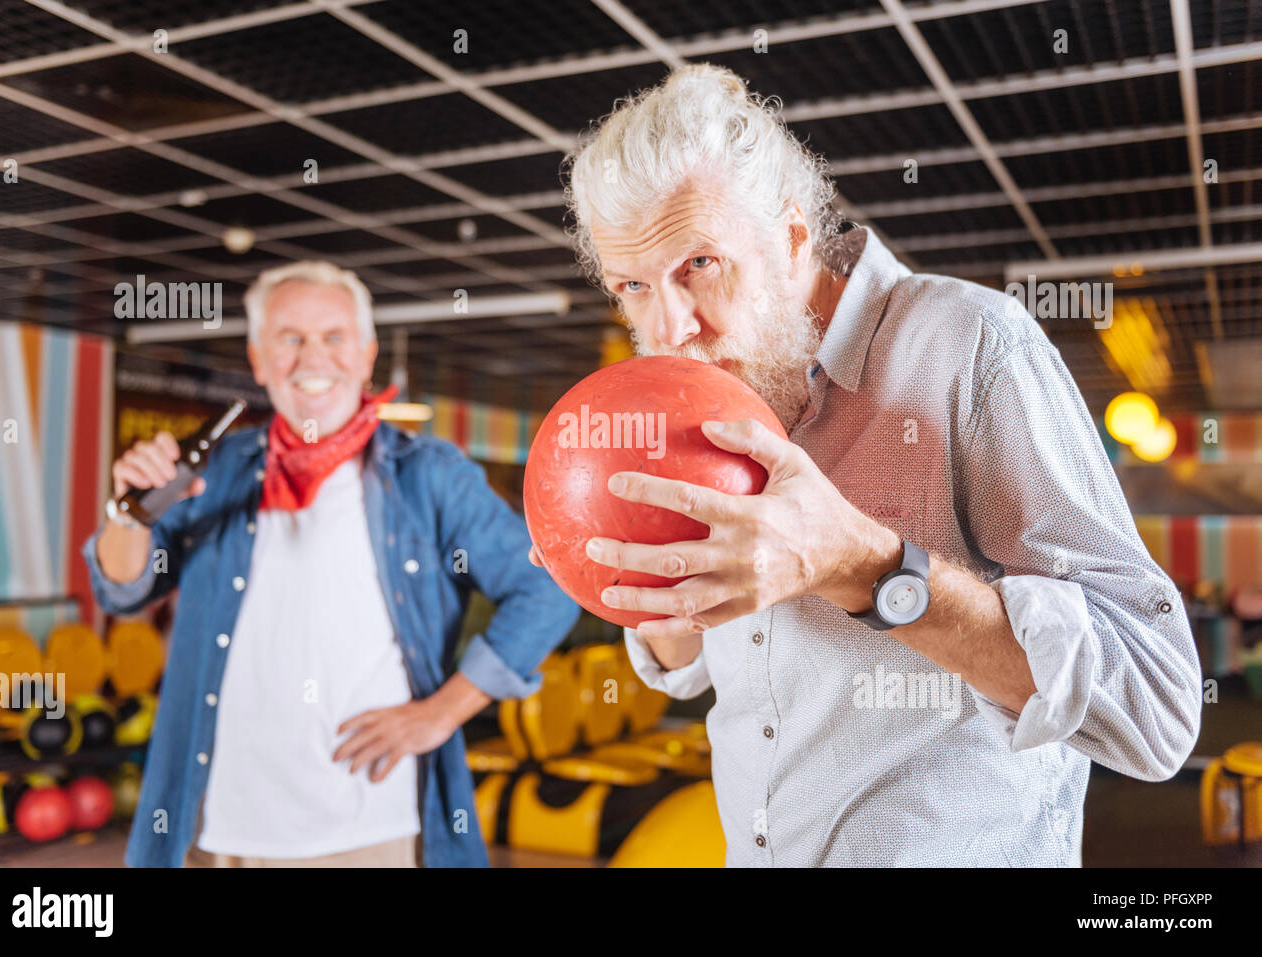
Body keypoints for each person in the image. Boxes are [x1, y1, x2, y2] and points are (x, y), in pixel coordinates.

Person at [539, 64, 1202, 866]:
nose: (670, 326)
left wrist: (866, 566)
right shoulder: (701, 407)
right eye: (633, 286)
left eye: (699, 267)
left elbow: (1157, 708)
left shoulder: (973, 348)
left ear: (790, 242)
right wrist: (650, 590)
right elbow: (702, 675)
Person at [83, 260, 578, 868]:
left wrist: (441, 713)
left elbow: (548, 587)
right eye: (290, 339)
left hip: (369, 825)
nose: (312, 358)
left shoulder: (429, 475)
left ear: (366, 354)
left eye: (333, 337)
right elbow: (122, 590)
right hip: (216, 826)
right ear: (260, 359)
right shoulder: (213, 468)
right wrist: (130, 512)